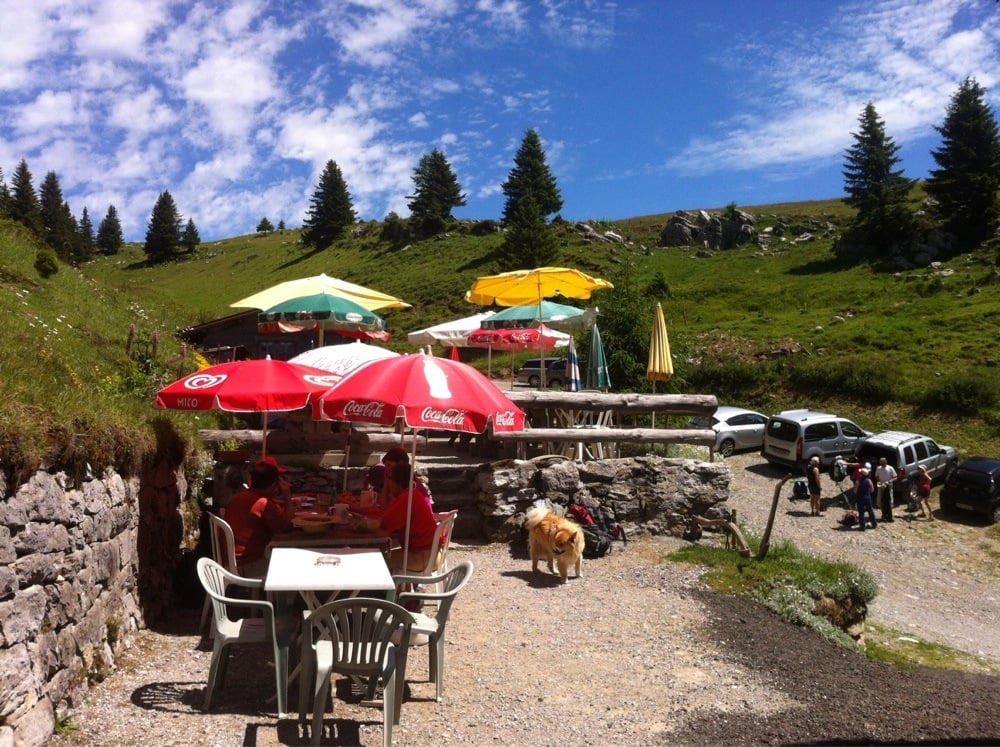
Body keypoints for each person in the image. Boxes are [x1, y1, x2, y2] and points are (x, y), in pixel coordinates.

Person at [224, 457, 295, 576]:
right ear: (274, 485)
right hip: (247, 566)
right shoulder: (264, 504)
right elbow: (285, 526)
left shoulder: (238, 498)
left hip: (227, 564)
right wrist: (287, 497)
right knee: (290, 566)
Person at [364, 462, 439, 572]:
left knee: (375, 562)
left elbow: (385, 523)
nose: (389, 483)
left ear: (397, 482)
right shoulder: (412, 494)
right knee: (379, 557)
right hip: (432, 555)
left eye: (390, 480)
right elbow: (387, 515)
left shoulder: (407, 498)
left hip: (422, 557)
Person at [874, 457, 896, 522]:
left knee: (889, 501)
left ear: (886, 462)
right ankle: (883, 515)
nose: (882, 464)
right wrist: (879, 482)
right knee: (880, 501)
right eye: (881, 463)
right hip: (881, 487)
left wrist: (889, 481)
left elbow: (895, 477)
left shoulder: (890, 468)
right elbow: (876, 476)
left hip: (888, 486)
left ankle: (889, 516)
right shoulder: (878, 468)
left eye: (883, 462)